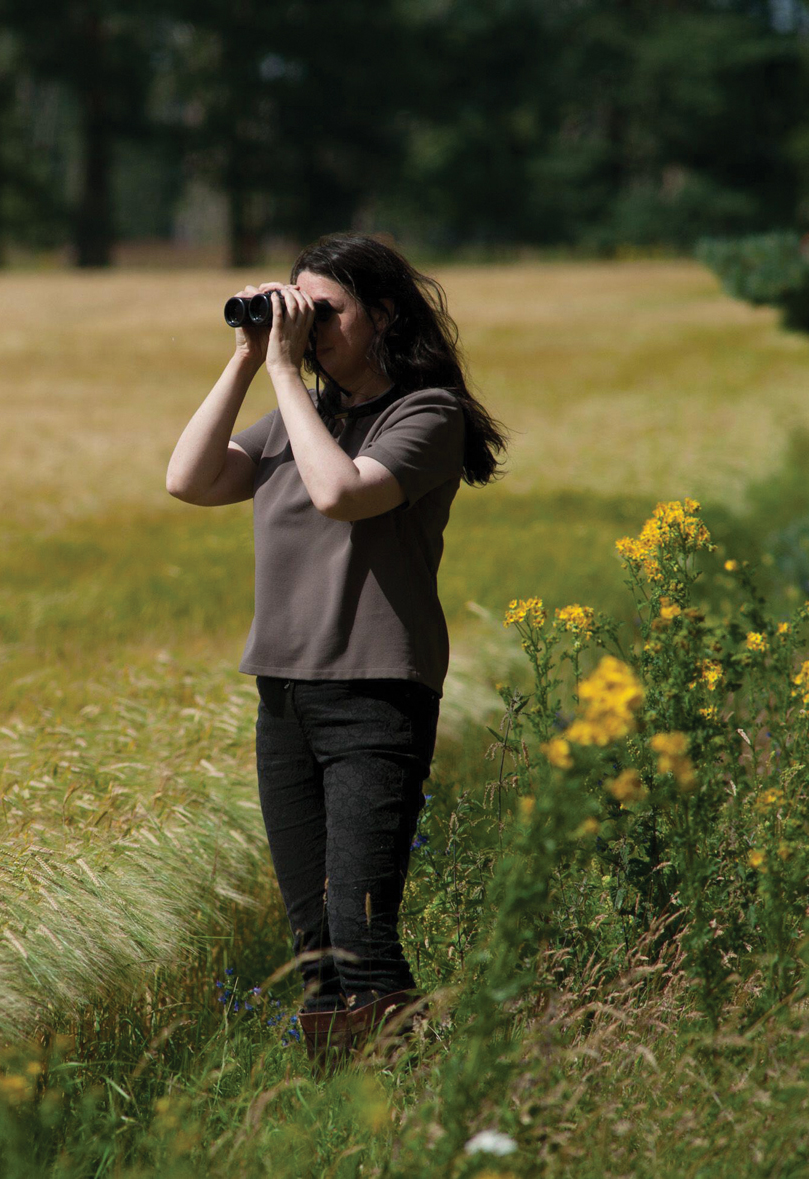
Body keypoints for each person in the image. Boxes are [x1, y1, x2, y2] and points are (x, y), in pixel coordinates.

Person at [165, 233, 506, 1056]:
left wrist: (285, 376)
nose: (307, 329)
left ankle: (412, 1100)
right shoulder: (299, 413)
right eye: (298, 309)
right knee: (316, 952)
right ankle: (345, 1113)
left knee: (361, 936)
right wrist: (251, 358)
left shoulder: (427, 414)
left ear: (381, 314)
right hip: (284, 696)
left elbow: (341, 493)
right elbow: (188, 478)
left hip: (376, 695)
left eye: (326, 312)